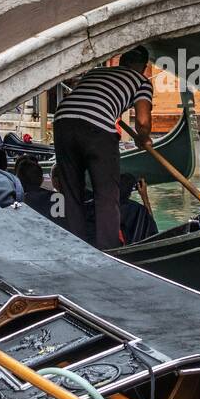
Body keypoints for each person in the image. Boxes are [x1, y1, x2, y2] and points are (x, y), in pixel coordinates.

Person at [52, 47, 154, 251]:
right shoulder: (142, 81)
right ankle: (109, 251)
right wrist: (144, 139)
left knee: (72, 192)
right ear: (144, 67)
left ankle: (76, 248)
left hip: (62, 118)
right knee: (107, 195)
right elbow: (143, 121)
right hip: (98, 127)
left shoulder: (96, 72)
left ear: (120, 61)